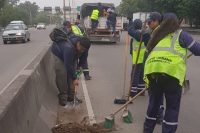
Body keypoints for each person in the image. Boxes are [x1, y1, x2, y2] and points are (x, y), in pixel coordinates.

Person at [143, 13, 200, 133]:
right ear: (177, 22)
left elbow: (146, 54)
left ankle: (147, 130)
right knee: (171, 109)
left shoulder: (156, 35)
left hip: (152, 72)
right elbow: (197, 50)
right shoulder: (181, 34)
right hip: (171, 75)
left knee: (153, 107)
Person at [128, 12, 164, 124]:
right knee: (158, 93)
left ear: (157, 21)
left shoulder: (148, 33)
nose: (149, 24)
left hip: (146, 61)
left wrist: (130, 25)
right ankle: (158, 115)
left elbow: (133, 33)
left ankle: (133, 93)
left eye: (150, 22)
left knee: (155, 92)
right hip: (154, 63)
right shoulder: (156, 32)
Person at [50, 26, 91, 106]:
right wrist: (74, 78)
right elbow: (68, 65)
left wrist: (79, 67)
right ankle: (63, 98)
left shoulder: (84, 47)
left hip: (72, 54)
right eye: (81, 48)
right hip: (58, 54)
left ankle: (71, 97)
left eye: (84, 50)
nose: (82, 50)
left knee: (73, 74)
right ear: (78, 43)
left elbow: (83, 58)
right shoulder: (68, 48)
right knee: (62, 74)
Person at [127, 19, 146, 97]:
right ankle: (141, 91)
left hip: (138, 57)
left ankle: (132, 93)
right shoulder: (144, 33)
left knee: (134, 75)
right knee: (141, 74)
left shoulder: (137, 33)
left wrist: (131, 23)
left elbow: (129, 30)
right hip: (143, 57)